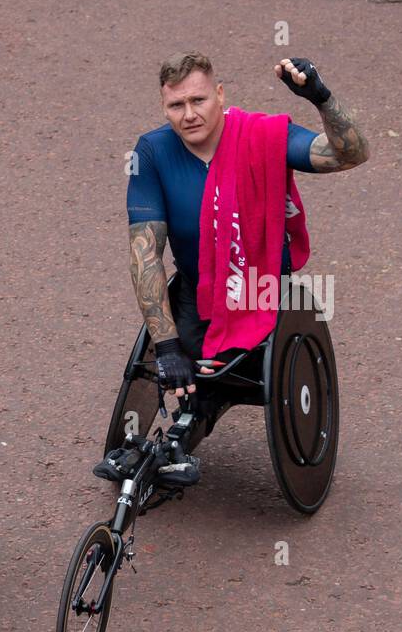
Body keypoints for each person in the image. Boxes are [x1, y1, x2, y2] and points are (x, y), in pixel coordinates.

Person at [126, 52, 370, 399]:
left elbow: (351, 154)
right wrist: (165, 346)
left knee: (255, 372)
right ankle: (206, 400)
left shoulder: (263, 136)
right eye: (176, 105)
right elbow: (145, 254)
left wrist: (321, 98)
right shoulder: (152, 152)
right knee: (195, 368)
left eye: (199, 100)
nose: (190, 115)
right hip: (199, 295)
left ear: (220, 95)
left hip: (263, 293)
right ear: (164, 107)